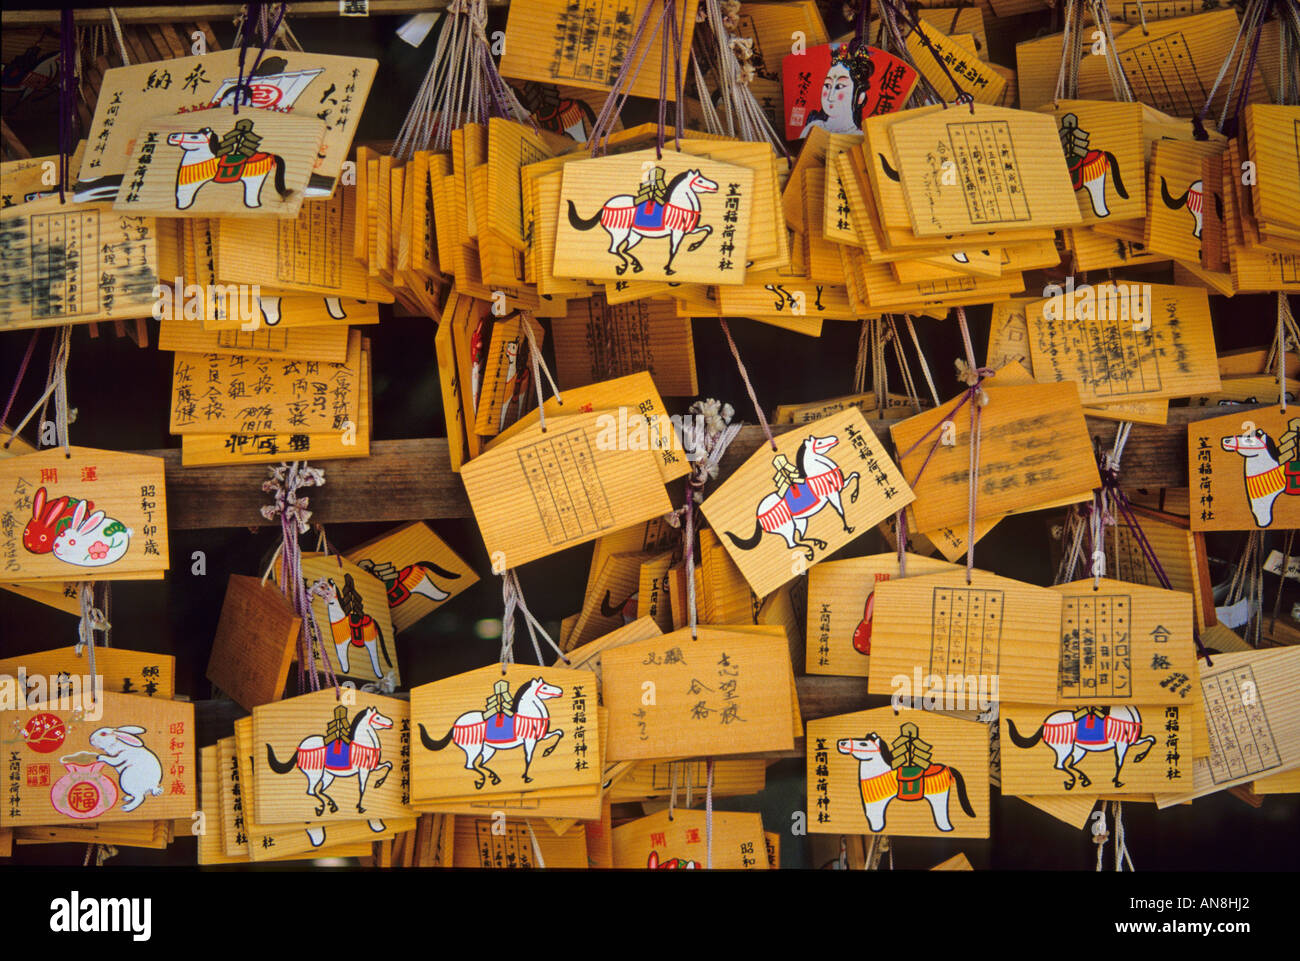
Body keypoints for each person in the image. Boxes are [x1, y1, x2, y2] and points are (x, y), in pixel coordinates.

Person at [799, 43, 875, 138]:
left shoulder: (858, 136)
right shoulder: (813, 128)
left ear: (860, 97)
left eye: (839, 86)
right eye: (827, 85)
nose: (830, 97)